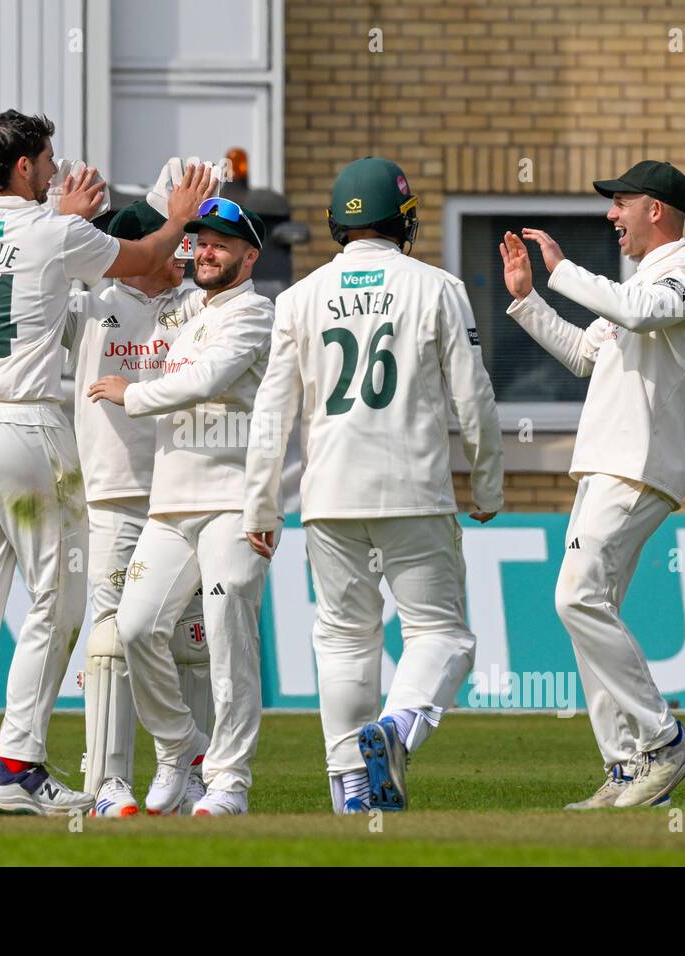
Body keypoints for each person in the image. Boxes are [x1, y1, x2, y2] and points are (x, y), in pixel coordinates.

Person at [0, 110, 213, 817]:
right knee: (58, 602)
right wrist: (177, 217)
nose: (60, 171)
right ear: (24, 166)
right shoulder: (56, 232)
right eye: (49, 160)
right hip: (23, 426)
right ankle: (18, 765)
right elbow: (147, 258)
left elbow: (24, 252)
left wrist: (62, 217)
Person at [243, 157, 503, 813]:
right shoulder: (438, 287)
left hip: (329, 496)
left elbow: (271, 411)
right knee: (441, 635)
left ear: (337, 225)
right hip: (412, 488)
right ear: (405, 220)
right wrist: (488, 484)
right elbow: (475, 399)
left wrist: (262, 503)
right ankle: (397, 728)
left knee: (343, 640)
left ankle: (350, 790)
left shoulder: (299, 299)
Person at [499, 160, 685, 809]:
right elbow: (583, 354)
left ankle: (663, 740)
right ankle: (626, 767)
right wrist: (528, 297)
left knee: (576, 599)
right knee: (592, 610)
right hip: (605, 464)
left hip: (638, 464)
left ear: (656, 209)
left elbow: (641, 315)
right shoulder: (639, 281)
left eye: (620, 203)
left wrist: (562, 271)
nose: (610, 216)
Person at [88, 198, 273, 816]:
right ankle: (179, 747)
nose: (207, 251)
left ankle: (229, 783)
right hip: (170, 503)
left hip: (231, 500)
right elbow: (139, 278)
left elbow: (206, 380)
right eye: (201, 240)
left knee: (228, 637)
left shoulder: (256, 313)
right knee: (136, 628)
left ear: (250, 255)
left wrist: (132, 394)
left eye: (222, 243)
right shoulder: (185, 307)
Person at [69, 199, 213, 817]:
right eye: (162, 252)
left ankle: (191, 776)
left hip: (181, 492)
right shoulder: (87, 307)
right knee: (111, 637)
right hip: (112, 495)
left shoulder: (187, 306)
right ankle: (106, 781)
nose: (177, 262)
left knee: (192, 640)